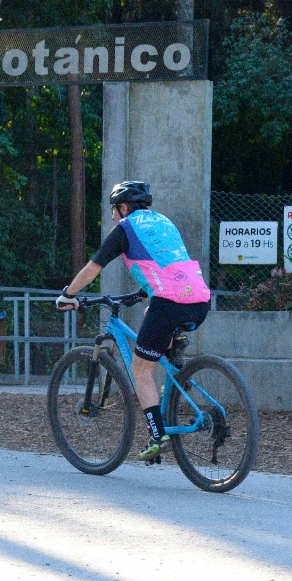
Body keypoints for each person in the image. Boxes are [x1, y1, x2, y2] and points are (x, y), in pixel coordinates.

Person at [55, 181, 211, 460]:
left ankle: (157, 434)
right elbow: (168, 263)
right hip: (199, 299)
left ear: (123, 207)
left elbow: (93, 268)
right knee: (154, 320)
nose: (112, 216)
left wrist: (68, 294)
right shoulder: (163, 222)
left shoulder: (126, 228)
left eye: (113, 210)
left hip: (169, 303)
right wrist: (144, 292)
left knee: (141, 370)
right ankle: (176, 364)